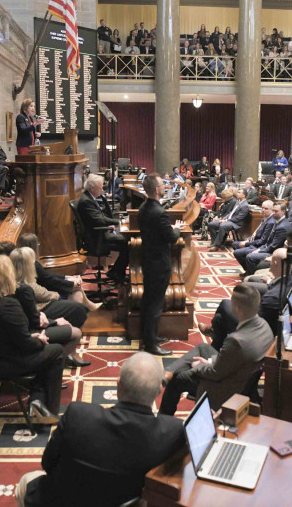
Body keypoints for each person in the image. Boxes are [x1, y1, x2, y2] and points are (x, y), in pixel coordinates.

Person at [16, 352, 185, 507]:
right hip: (126, 501)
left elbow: (48, 464)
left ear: (118, 385)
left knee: (25, 480)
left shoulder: (78, 415)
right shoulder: (171, 431)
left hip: (63, 500)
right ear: (158, 392)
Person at [0, 255, 64, 422]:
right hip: (7, 363)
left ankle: (37, 400)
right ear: (7, 275)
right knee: (56, 351)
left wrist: (31, 337)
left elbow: (5, 335)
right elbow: (26, 345)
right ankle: (50, 410)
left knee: (45, 353)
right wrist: (39, 339)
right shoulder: (9, 305)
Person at [159, 284, 273, 416]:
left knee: (178, 379)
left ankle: (163, 419)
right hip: (237, 371)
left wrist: (200, 366)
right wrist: (210, 362)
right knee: (203, 348)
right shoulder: (265, 326)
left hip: (224, 387)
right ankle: (169, 370)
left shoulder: (236, 341)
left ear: (237, 308)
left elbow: (214, 372)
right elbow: (232, 360)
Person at [9, 247, 89, 369]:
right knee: (78, 310)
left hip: (37, 313)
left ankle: (69, 350)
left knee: (77, 306)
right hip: (38, 316)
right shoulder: (25, 287)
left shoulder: (14, 281)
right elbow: (35, 314)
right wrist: (54, 322)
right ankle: (59, 359)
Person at [139, 174, 182, 356]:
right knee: (155, 304)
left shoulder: (142, 207)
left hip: (148, 259)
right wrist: (177, 228)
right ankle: (151, 344)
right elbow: (172, 238)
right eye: (162, 184)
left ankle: (149, 336)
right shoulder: (159, 212)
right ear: (157, 190)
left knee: (148, 300)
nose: (164, 186)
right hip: (159, 263)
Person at [16, 233, 100, 310]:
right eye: (38, 244)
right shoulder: (33, 264)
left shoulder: (21, 260)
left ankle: (89, 306)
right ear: (34, 246)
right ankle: (85, 308)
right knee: (76, 290)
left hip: (46, 288)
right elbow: (48, 280)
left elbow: (47, 275)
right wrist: (70, 284)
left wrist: (67, 277)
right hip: (45, 293)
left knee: (75, 284)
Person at [77, 174, 129, 283]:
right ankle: (117, 272)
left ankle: (116, 271)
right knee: (128, 243)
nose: (102, 190)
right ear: (92, 188)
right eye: (100, 188)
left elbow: (99, 218)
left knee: (127, 243)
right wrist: (120, 222)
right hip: (96, 238)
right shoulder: (86, 201)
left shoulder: (90, 198)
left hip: (99, 233)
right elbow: (99, 220)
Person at [239, 202, 291, 276]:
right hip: (268, 248)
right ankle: (250, 274)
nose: (273, 213)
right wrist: (260, 249)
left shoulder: (282, 226)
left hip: (274, 252)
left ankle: (253, 276)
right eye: (273, 210)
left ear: (283, 212)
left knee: (250, 257)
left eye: (276, 211)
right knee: (248, 252)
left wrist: (260, 250)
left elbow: (274, 246)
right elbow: (269, 241)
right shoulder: (278, 222)